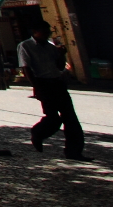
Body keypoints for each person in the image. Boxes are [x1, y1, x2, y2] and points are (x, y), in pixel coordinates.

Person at [18, 21, 89, 160]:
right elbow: (26, 68)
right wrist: (36, 87)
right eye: (43, 31)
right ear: (35, 31)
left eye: (48, 31)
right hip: (43, 83)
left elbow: (60, 66)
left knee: (71, 119)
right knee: (53, 118)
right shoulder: (26, 46)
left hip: (58, 82)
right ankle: (38, 133)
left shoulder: (51, 46)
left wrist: (62, 54)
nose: (47, 34)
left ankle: (74, 151)